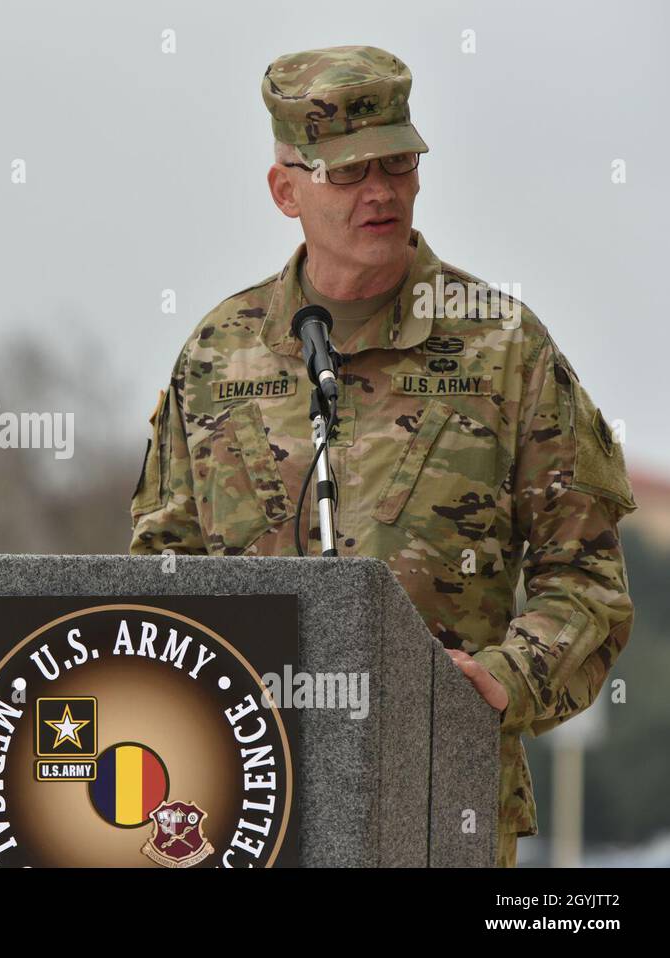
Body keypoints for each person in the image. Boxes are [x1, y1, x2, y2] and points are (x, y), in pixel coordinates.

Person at [128, 45, 637, 867]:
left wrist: (504, 678)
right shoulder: (219, 357)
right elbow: (157, 576)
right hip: (247, 805)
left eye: (398, 163)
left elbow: (587, 582)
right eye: (349, 172)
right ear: (284, 188)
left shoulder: (502, 347)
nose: (381, 191)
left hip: (440, 803)